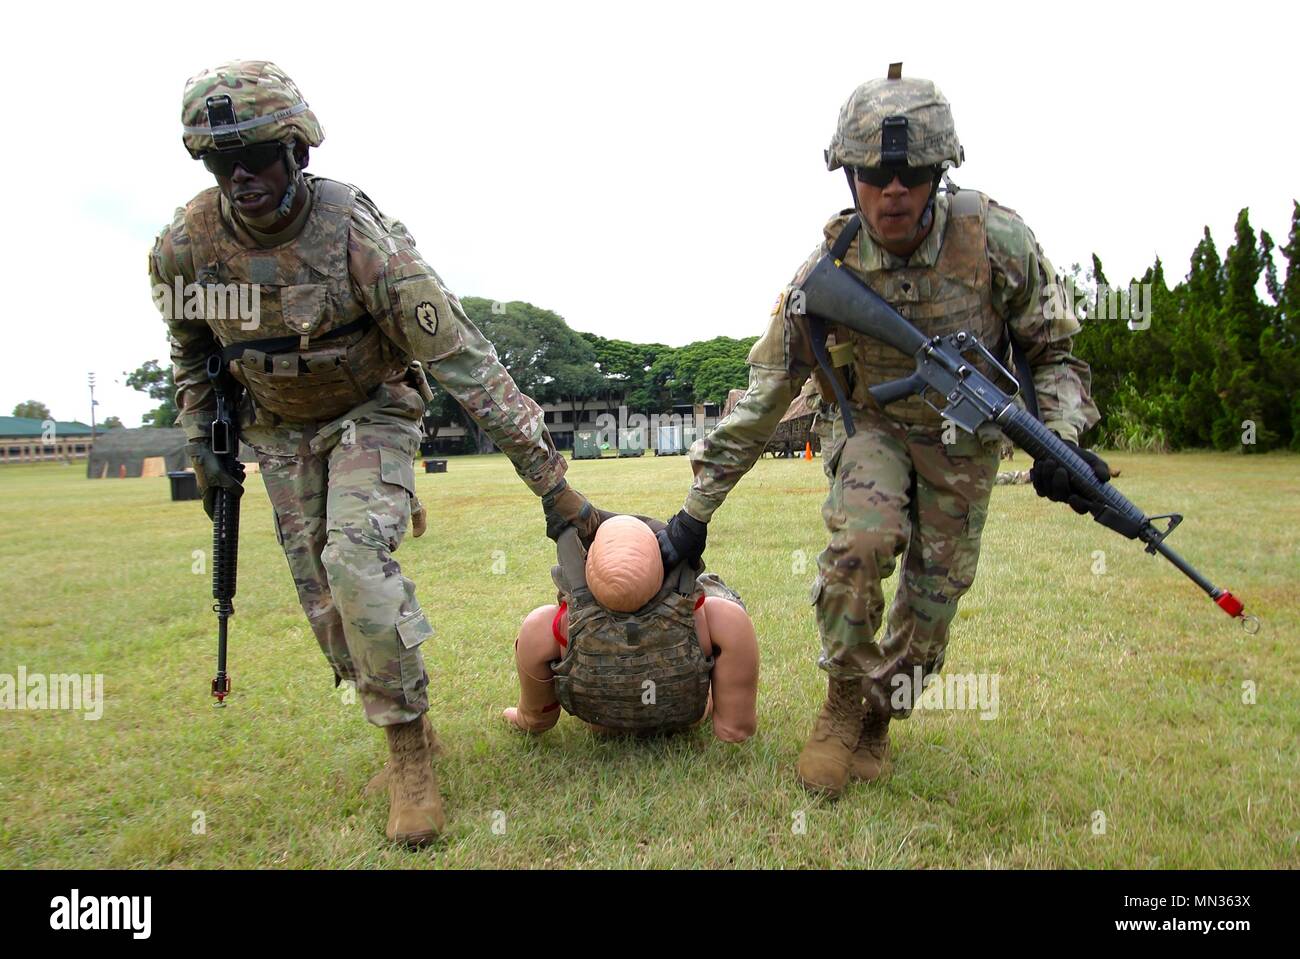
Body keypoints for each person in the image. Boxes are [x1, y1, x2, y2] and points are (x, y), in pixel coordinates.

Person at [149, 60, 602, 846]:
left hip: (373, 410)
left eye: (257, 154)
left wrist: (553, 486)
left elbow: (465, 361)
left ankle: (407, 753)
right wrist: (201, 439)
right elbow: (190, 351)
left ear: (297, 150)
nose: (242, 176)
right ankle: (408, 729)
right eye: (222, 161)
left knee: (355, 560)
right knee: (324, 602)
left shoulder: (358, 240)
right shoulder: (186, 248)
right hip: (280, 429)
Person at [656, 64, 1108, 796]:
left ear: (937, 173)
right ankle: (840, 700)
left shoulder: (999, 241)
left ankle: (878, 715)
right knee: (859, 546)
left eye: (911, 171)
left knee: (931, 608)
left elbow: (1055, 351)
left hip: (966, 445)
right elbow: (766, 395)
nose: (892, 189)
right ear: (848, 177)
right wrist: (693, 514)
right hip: (873, 428)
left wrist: (1065, 441)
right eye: (874, 172)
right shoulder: (827, 271)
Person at [505, 515, 758, 742]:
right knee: (724, 605)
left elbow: (538, 717)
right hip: (687, 716)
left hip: (601, 720)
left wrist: (529, 718)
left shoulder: (549, 625)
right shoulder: (714, 617)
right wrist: (730, 720)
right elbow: (737, 725)